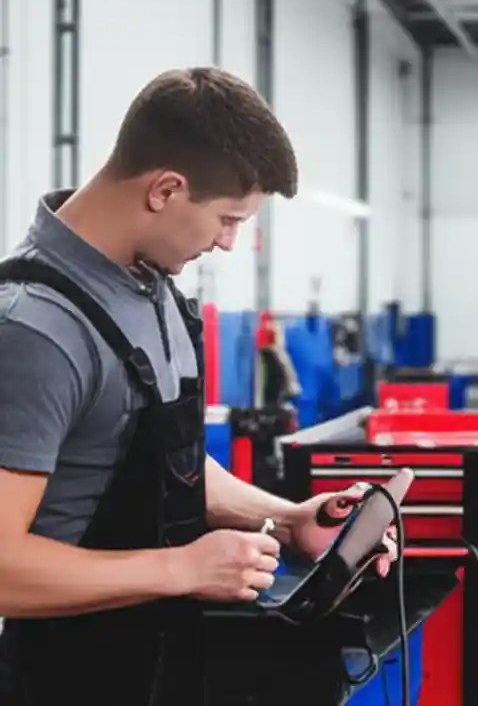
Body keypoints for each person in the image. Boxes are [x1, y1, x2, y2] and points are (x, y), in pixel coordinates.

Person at [0, 67, 398, 705]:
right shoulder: (35, 330)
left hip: (160, 661)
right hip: (67, 678)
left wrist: (290, 519)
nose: (229, 243)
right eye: (227, 218)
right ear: (165, 189)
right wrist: (183, 567)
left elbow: (161, 463)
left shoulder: (148, 286)